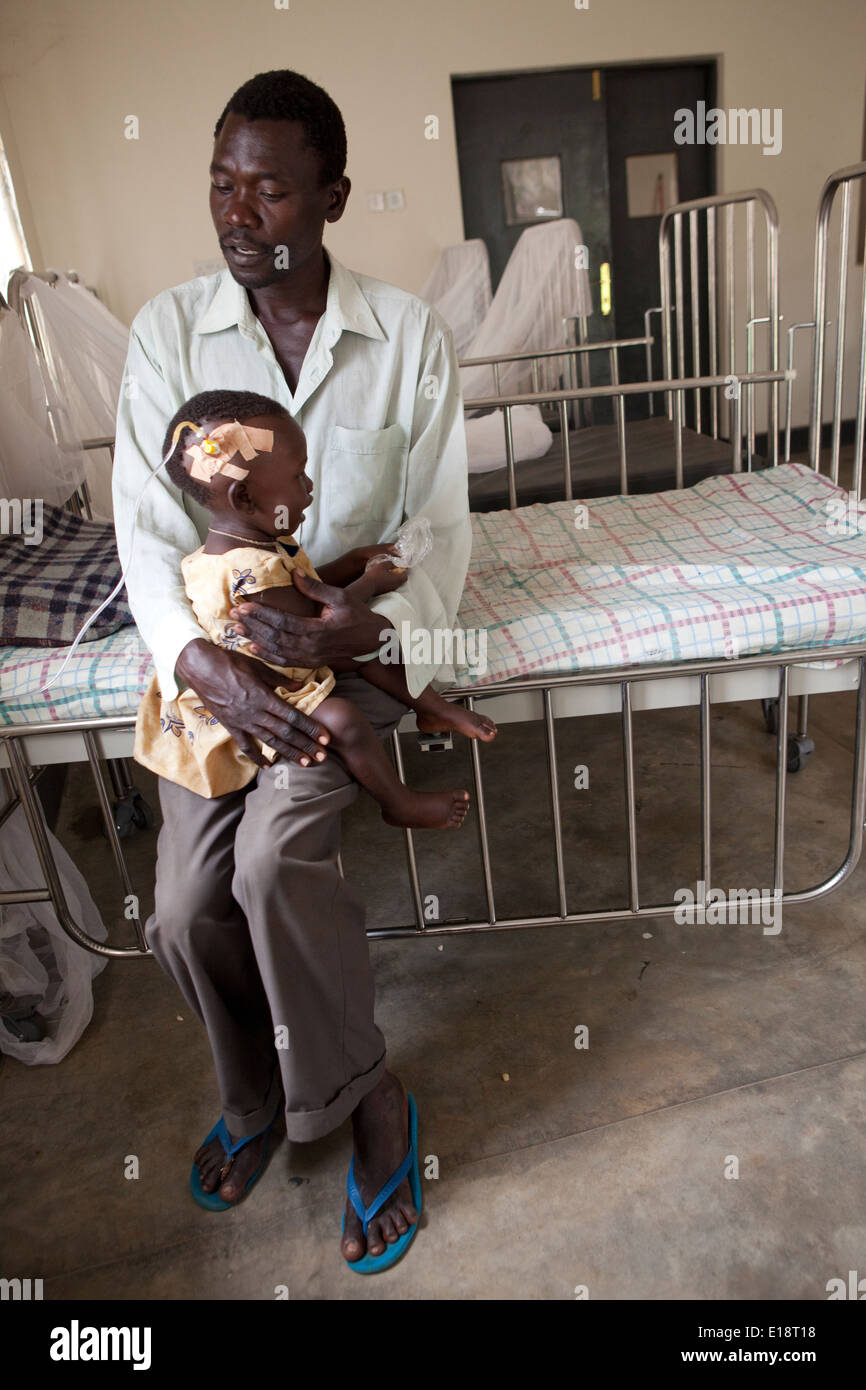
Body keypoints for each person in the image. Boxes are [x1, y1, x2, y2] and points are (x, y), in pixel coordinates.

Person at [113, 68, 473, 1270]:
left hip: (333, 662)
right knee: (176, 906)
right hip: (212, 674)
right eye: (222, 185)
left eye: (269, 190)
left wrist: (369, 629)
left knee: (271, 861)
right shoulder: (167, 335)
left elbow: (437, 525)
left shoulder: (405, 337)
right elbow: (143, 534)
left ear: (331, 196)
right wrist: (199, 663)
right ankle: (261, 1094)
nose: (238, 212)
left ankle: (364, 1099)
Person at [134, 389, 495, 825]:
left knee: (366, 648)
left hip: (282, 658)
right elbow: (315, 623)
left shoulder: (254, 542)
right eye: (298, 477)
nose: (309, 487)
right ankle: (399, 802)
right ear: (244, 499)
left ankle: (430, 707)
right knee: (347, 708)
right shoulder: (246, 567)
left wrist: (350, 561)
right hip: (260, 695)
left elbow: (303, 583)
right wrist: (368, 583)